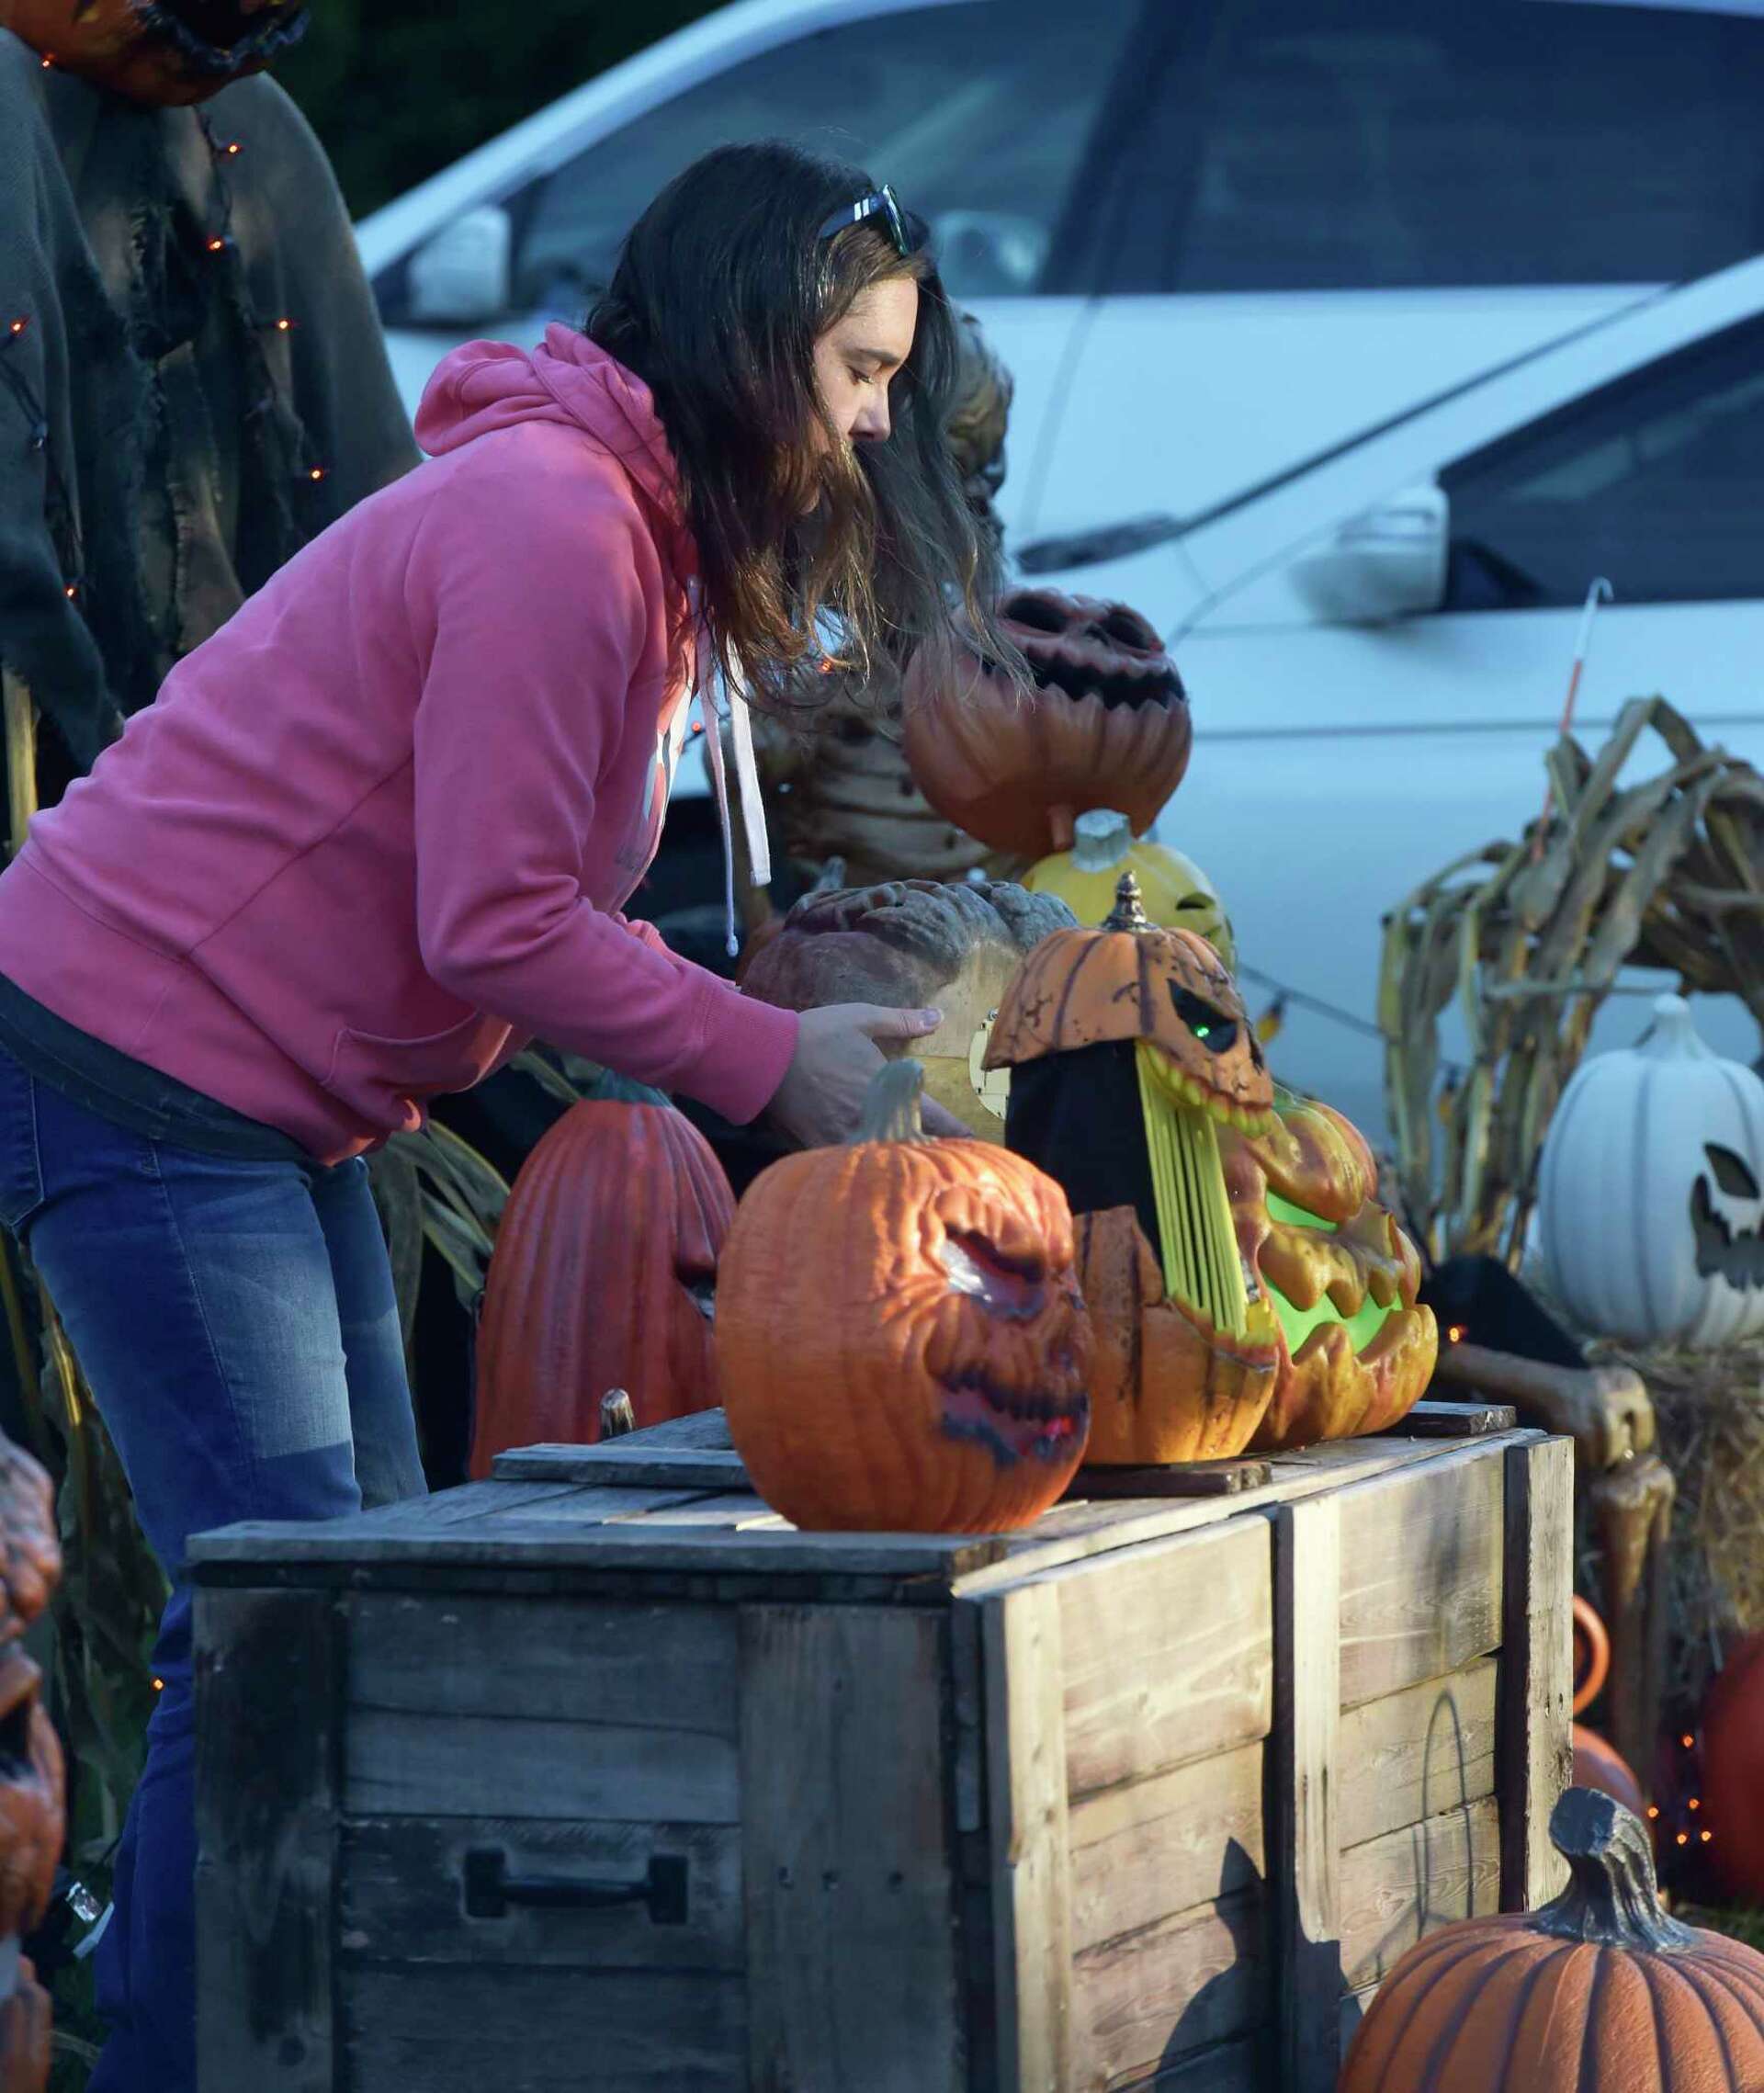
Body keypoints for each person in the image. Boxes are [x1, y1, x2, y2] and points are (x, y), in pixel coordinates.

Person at [0, 135, 1008, 2087]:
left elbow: (524, 875)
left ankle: (315, 2041)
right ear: (744, 342)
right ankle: (190, 2060)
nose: (878, 428)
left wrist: (772, 992)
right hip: (126, 1054)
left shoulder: (632, 539)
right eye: (860, 375)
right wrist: (765, 1061)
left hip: (254, 1094)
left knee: (353, 1594)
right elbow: (500, 918)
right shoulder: (557, 521)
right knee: (279, 1614)